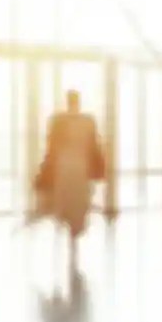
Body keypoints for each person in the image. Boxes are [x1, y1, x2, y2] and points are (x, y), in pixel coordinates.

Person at [37, 90, 105, 272]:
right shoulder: (88, 121)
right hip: (81, 165)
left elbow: (51, 146)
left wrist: (47, 167)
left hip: (63, 165)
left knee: (66, 196)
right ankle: (75, 227)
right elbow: (95, 145)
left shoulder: (58, 121)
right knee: (79, 198)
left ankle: (67, 223)